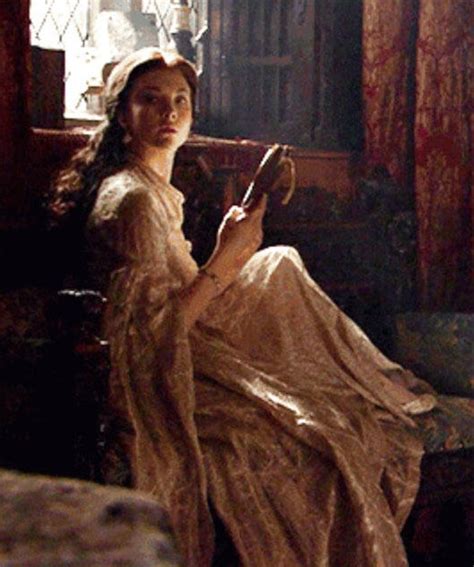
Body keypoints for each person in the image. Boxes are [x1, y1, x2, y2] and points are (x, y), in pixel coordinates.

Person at [48, 47, 436, 567]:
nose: (168, 113)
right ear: (122, 113)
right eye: (151, 99)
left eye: (180, 101)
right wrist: (224, 261)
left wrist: (228, 251)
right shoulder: (133, 200)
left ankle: (377, 386)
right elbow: (153, 337)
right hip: (159, 376)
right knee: (314, 416)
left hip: (184, 345)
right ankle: (380, 388)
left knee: (277, 265)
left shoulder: (151, 188)